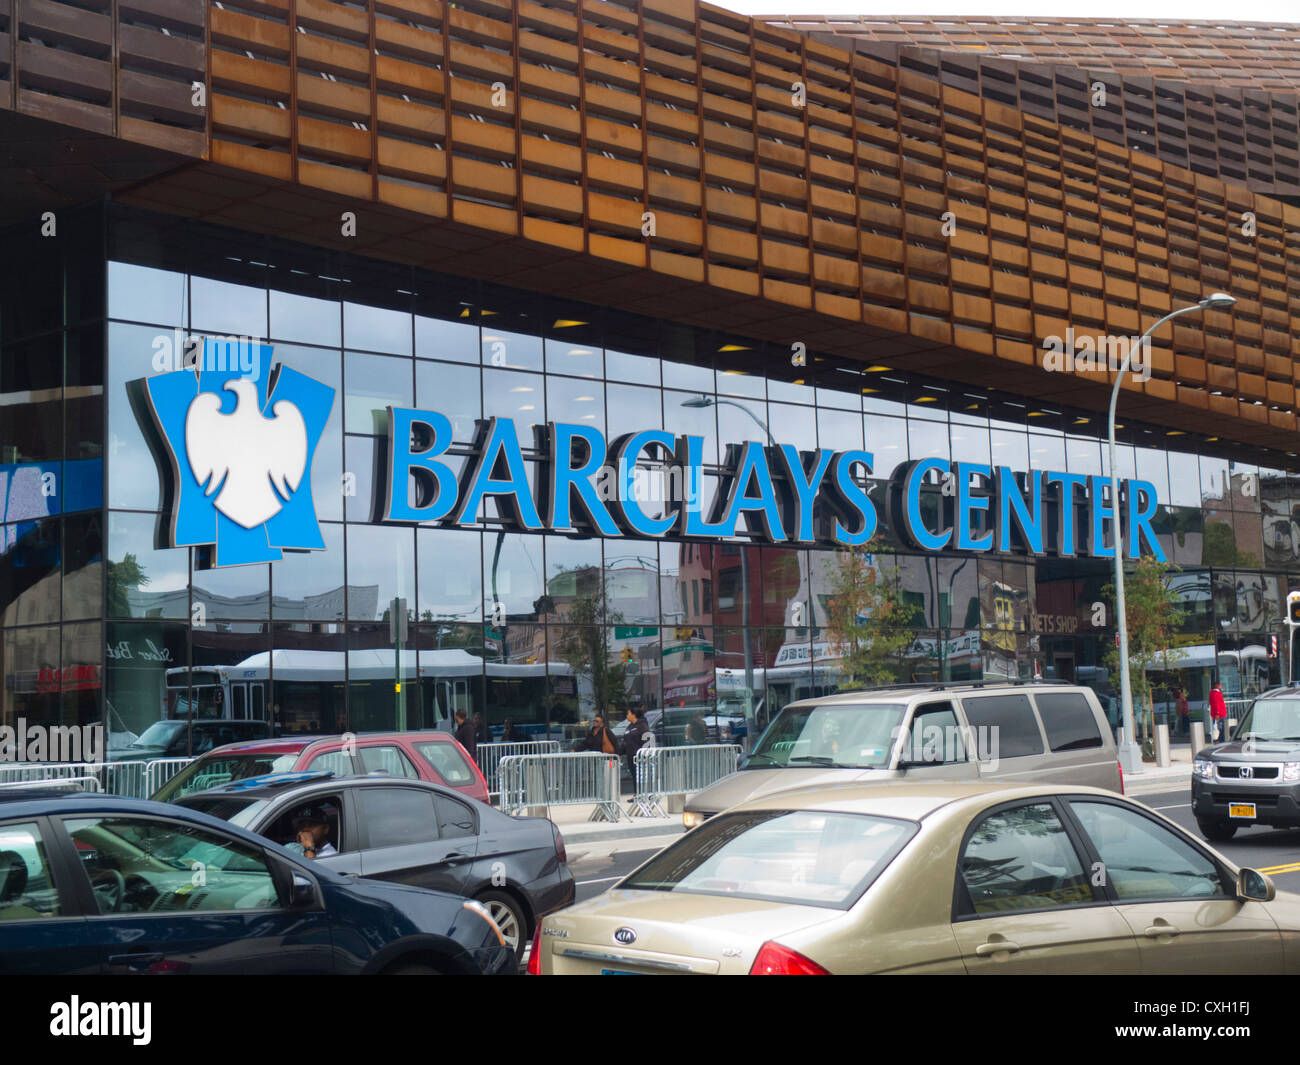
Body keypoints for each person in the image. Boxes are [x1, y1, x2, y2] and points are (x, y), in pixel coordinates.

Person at [622, 707, 649, 778]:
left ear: (633, 715)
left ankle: (640, 789)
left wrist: (643, 753)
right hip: (630, 755)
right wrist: (620, 752)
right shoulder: (629, 726)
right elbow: (625, 740)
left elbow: (646, 739)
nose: (627, 715)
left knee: (640, 777)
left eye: (628, 714)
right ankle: (636, 789)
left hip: (639, 755)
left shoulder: (642, 725)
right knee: (634, 776)